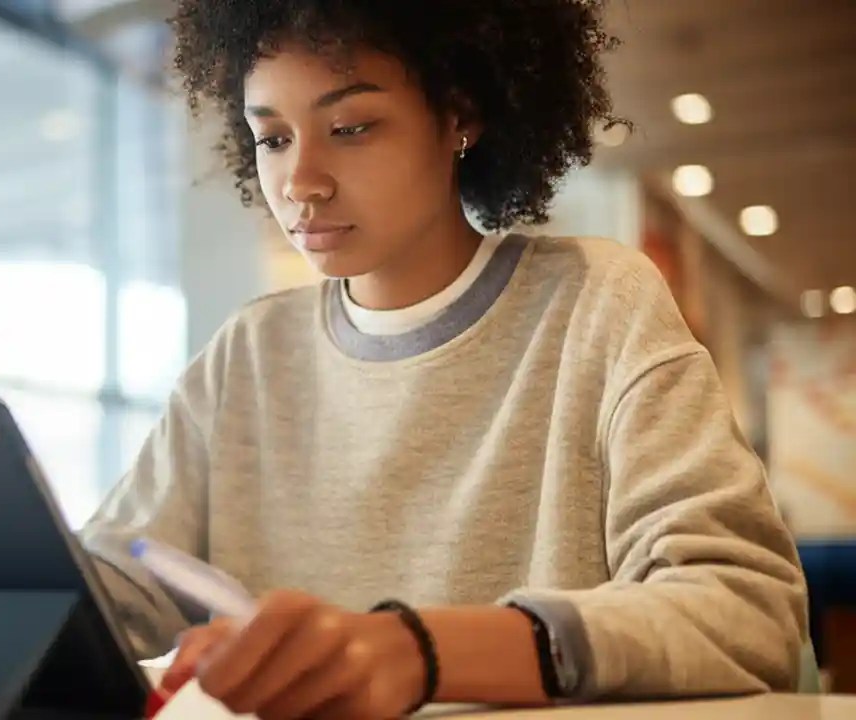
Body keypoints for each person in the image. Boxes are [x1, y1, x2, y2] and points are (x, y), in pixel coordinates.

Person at [80, 1, 807, 717]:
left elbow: (746, 611)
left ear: (461, 115)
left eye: (350, 128)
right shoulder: (246, 356)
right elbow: (114, 586)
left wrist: (418, 653)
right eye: (272, 138)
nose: (301, 182)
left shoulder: (595, 304)